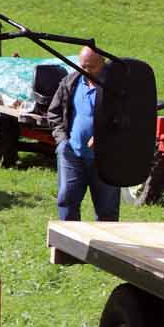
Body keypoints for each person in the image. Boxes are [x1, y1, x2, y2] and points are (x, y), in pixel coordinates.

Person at [48, 46, 121, 222]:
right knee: (66, 200)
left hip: (105, 158)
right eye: (83, 66)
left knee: (107, 209)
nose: (86, 71)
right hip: (72, 154)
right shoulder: (70, 82)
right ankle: (67, 247)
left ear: (103, 64)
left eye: (91, 67)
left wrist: (104, 136)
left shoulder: (116, 87)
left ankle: (104, 248)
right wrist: (62, 141)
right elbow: (54, 113)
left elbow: (127, 119)